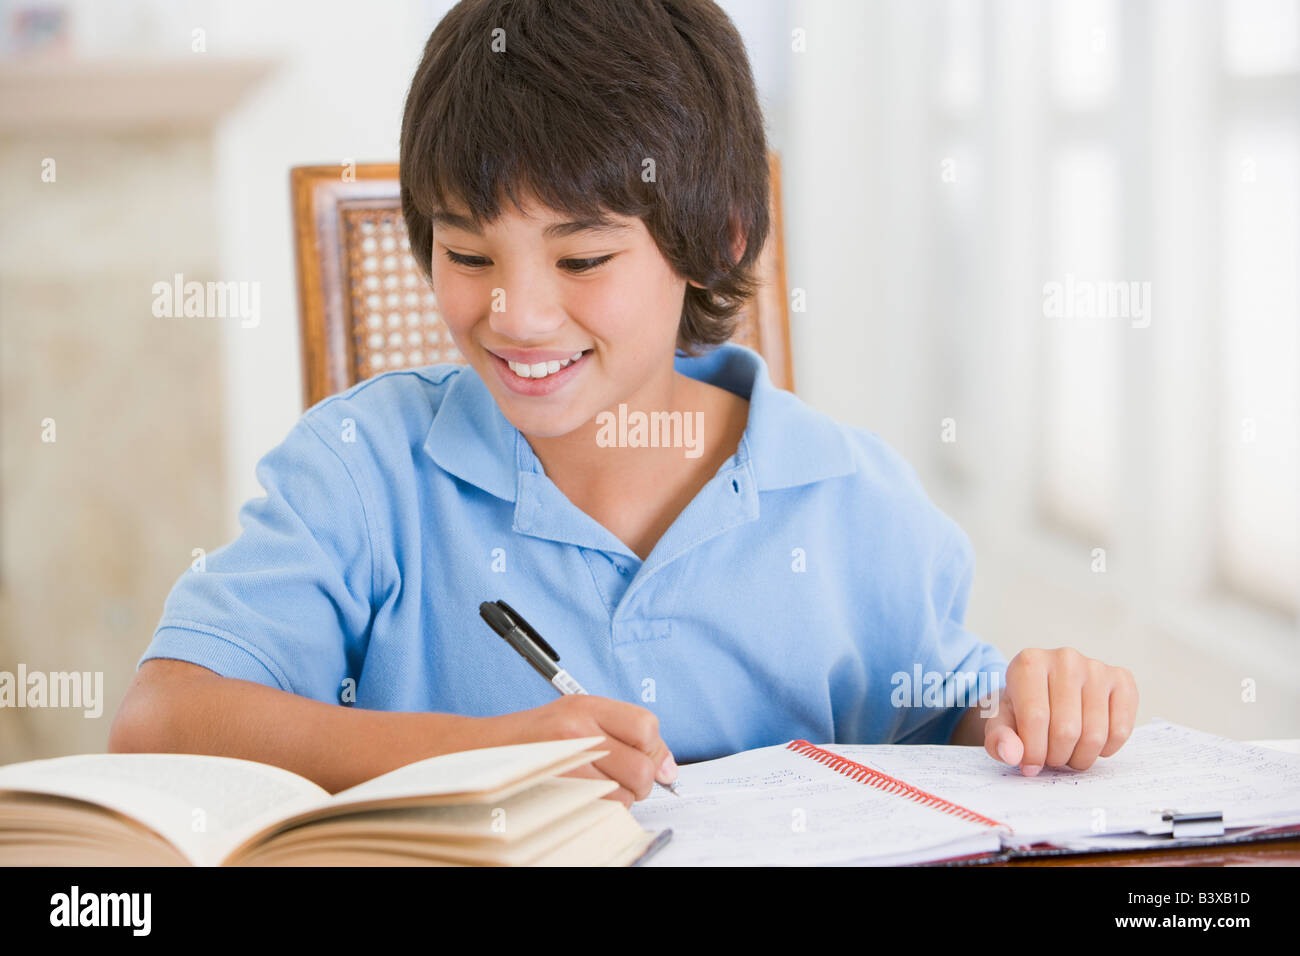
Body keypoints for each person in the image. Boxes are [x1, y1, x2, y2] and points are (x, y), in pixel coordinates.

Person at [110, 0, 1137, 807]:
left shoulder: (849, 499)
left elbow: (950, 715)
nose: (515, 313)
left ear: (721, 237)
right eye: (467, 253)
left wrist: (1029, 709)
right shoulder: (363, 470)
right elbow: (161, 720)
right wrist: (475, 757)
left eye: (584, 256)